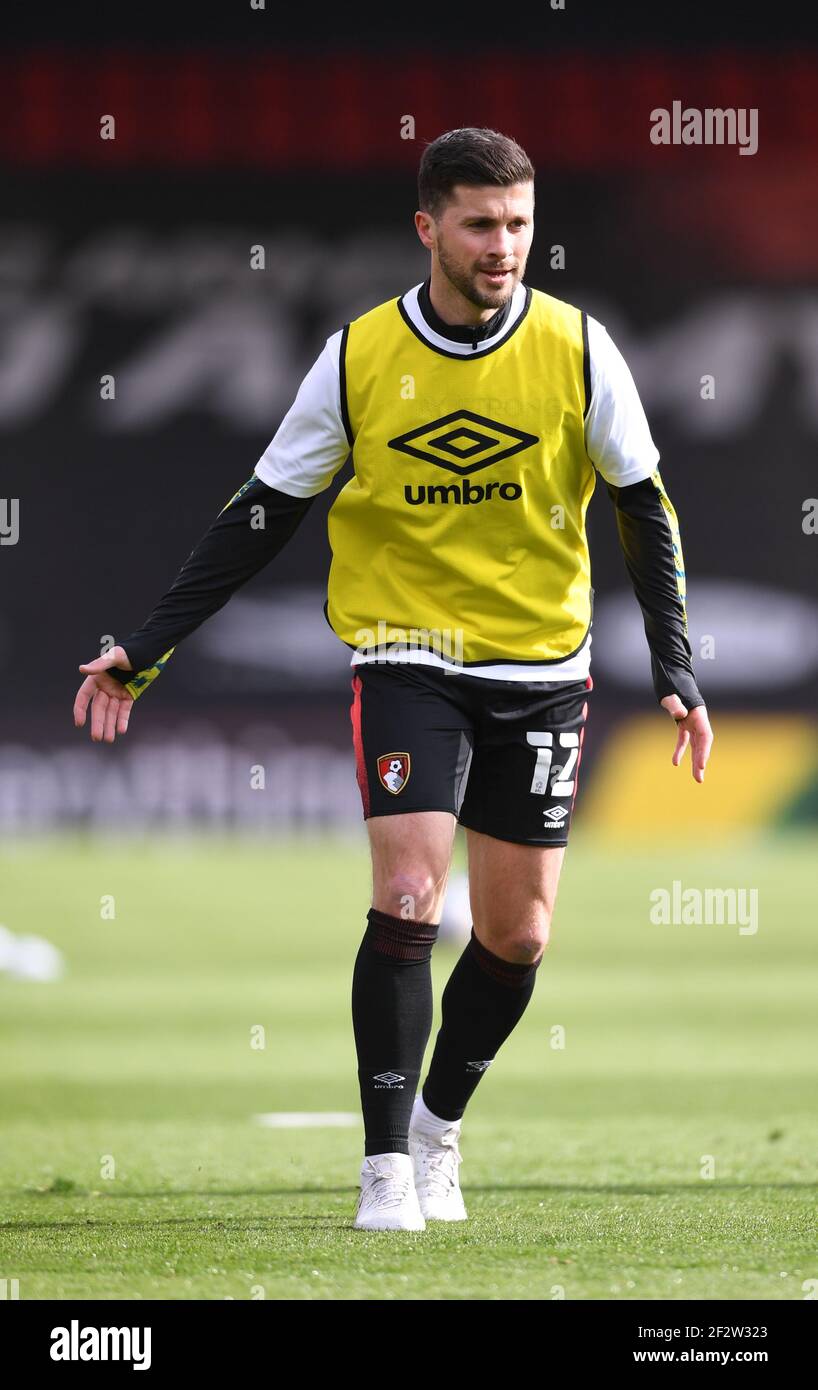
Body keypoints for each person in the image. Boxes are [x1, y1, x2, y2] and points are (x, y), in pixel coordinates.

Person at [73, 127, 713, 1232]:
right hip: (406, 654)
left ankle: (436, 1129)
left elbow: (641, 504)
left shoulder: (576, 349)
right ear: (428, 229)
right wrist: (150, 642)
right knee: (410, 896)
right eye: (477, 223)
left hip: (543, 669)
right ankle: (382, 1172)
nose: (502, 244)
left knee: (516, 938)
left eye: (516, 223)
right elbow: (264, 511)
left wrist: (674, 663)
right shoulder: (360, 354)